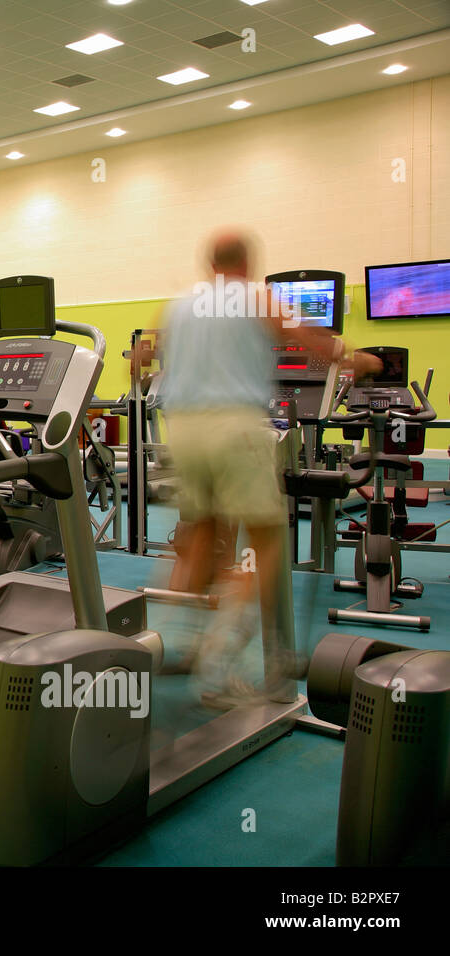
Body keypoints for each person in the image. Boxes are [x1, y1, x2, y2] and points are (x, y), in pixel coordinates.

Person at [156, 231, 380, 704]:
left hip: (185, 431)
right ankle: (227, 666)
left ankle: (184, 643)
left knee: (201, 538)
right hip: (235, 428)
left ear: (210, 262)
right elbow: (305, 338)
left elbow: (154, 358)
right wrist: (355, 357)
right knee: (266, 542)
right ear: (246, 262)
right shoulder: (257, 296)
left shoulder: (181, 306)